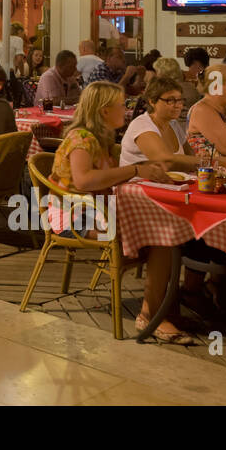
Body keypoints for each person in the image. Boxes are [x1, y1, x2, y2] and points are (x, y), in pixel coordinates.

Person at [50, 82, 190, 342]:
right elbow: (83, 181)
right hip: (73, 218)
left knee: (168, 227)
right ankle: (150, 315)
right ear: (104, 111)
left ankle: (162, 305)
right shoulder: (81, 138)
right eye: (121, 105)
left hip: (95, 211)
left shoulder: (99, 137)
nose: (126, 111)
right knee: (162, 236)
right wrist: (135, 170)